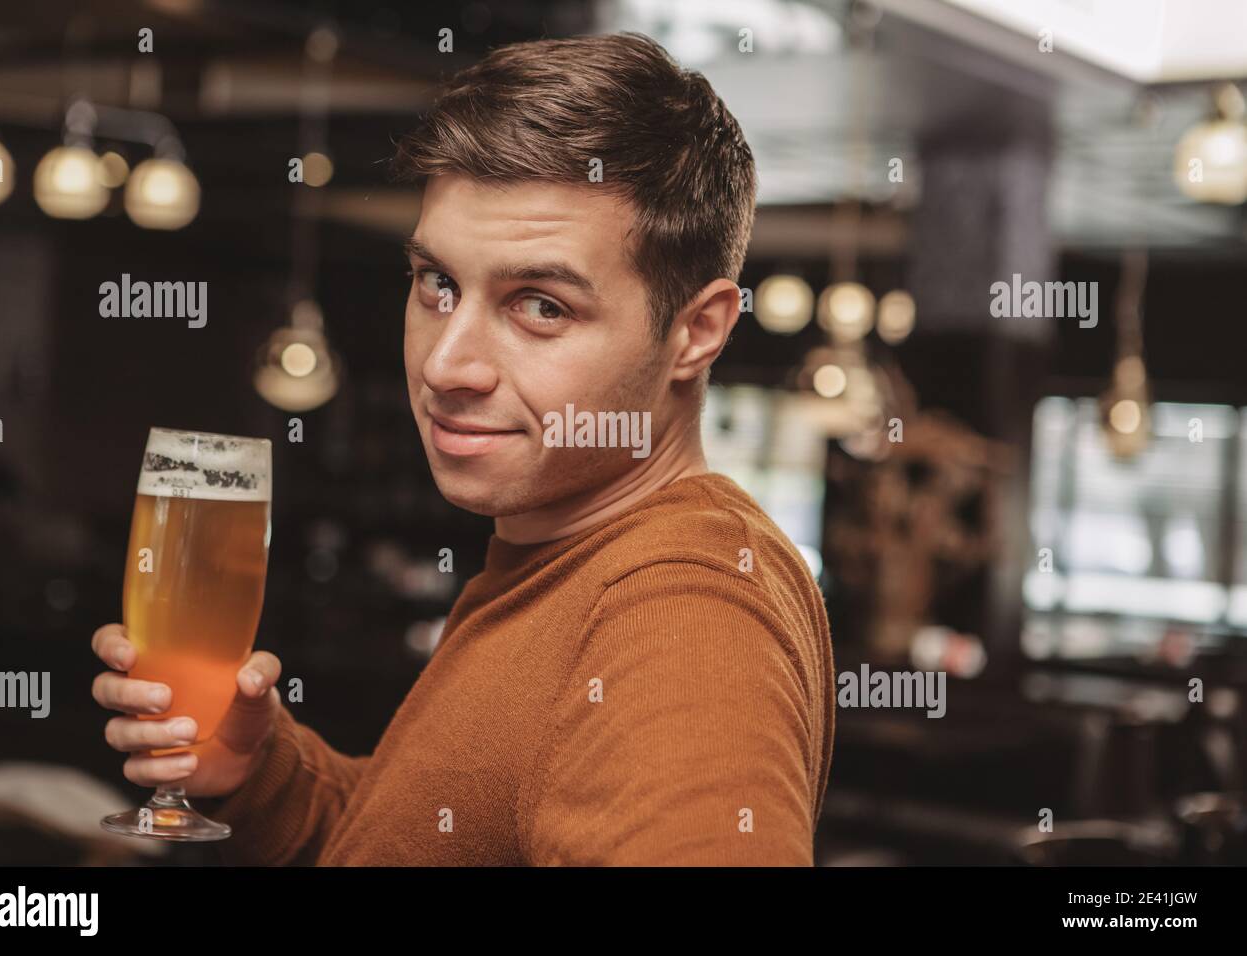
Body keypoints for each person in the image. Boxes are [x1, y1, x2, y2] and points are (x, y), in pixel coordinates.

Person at [91, 31, 835, 865]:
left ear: (697, 332)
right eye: (437, 285)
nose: (446, 365)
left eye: (541, 306)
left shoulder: (685, 613)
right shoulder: (561, 551)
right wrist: (261, 770)